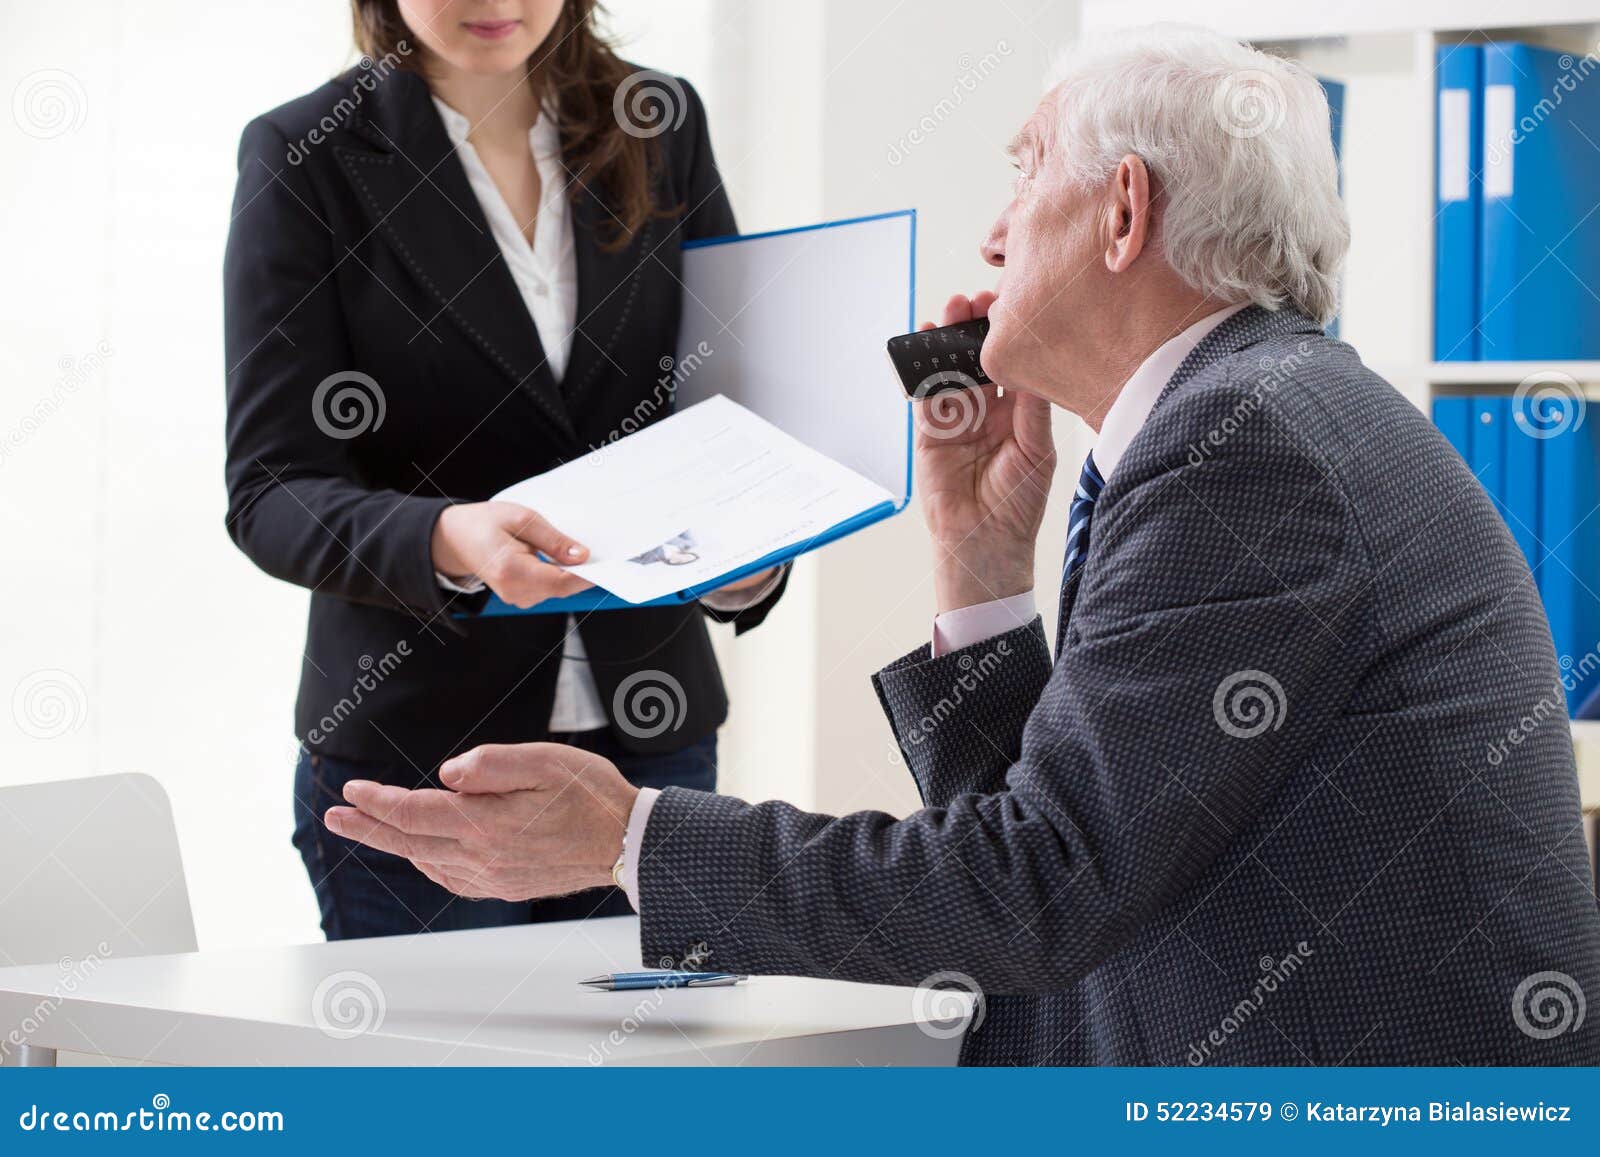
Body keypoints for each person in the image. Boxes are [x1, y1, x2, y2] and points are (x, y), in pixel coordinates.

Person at [324, 25, 1600, 1064]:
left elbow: (1039, 887)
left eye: (1024, 173)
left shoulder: (1244, 452)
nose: (992, 233)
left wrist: (627, 836)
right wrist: (978, 563)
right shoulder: (1245, 412)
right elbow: (1061, 845)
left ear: (1122, 213)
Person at [222, 0, 784, 941]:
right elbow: (270, 488)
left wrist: (744, 554)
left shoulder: (660, 121)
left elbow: (721, 410)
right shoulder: (305, 155)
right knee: (441, 1045)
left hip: (651, 742)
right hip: (420, 752)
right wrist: (450, 538)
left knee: (648, 1043)